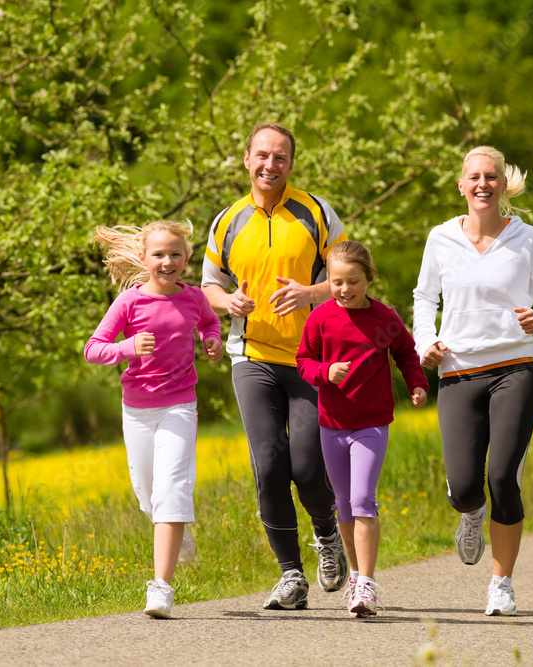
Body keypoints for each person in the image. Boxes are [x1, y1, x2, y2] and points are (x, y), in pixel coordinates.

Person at [412, 146, 533, 617]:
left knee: (503, 476)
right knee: (465, 485)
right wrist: (427, 341)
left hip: (516, 368)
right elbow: (424, 298)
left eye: (492, 177)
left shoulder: (529, 239)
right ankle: (471, 512)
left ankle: (501, 583)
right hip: (458, 370)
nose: (483, 184)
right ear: (461, 185)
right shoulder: (440, 239)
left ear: (504, 185)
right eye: (474, 177)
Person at [201, 122, 350, 610]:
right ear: (246, 160)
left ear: (292, 163)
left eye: (280, 157)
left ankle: (327, 534)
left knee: (307, 466)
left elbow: (352, 278)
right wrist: (228, 304)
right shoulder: (227, 220)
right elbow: (208, 285)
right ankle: (290, 576)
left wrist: (311, 293)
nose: (270, 164)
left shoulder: (316, 212)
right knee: (268, 464)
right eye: (261, 155)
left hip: (312, 359)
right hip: (252, 357)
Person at [85, 220, 224, 620]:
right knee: (146, 493)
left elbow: (208, 323)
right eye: (159, 255)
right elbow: (93, 349)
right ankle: (176, 535)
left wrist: (210, 341)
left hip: (180, 405)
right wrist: (127, 347)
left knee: (173, 488)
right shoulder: (129, 302)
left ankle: (161, 587)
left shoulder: (195, 298)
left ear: (187, 257)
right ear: (144, 259)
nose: (168, 262)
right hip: (138, 409)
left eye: (175, 254)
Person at [295, 241, 429, 618]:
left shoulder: (384, 319)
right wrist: (325, 372)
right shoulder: (319, 318)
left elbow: (405, 352)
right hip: (332, 424)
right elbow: (303, 361)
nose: (344, 289)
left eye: (353, 281)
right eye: (337, 282)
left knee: (363, 499)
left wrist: (417, 383)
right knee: (344, 507)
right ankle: (355, 575)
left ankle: (367, 584)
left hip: (371, 423)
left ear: (369, 278)